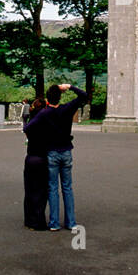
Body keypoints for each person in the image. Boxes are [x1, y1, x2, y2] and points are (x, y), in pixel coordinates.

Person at [26, 82, 89, 231]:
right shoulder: (67, 108)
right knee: (67, 187)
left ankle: (54, 223)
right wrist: (70, 87)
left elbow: (27, 128)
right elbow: (84, 96)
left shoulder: (44, 113)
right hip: (66, 151)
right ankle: (71, 222)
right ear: (60, 97)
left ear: (47, 99)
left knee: (52, 188)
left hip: (52, 152)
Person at [22, 98, 49, 229]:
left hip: (30, 158)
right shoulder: (47, 124)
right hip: (42, 159)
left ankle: (29, 220)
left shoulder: (30, 125)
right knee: (41, 192)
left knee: (29, 190)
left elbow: (25, 129)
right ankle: (39, 221)